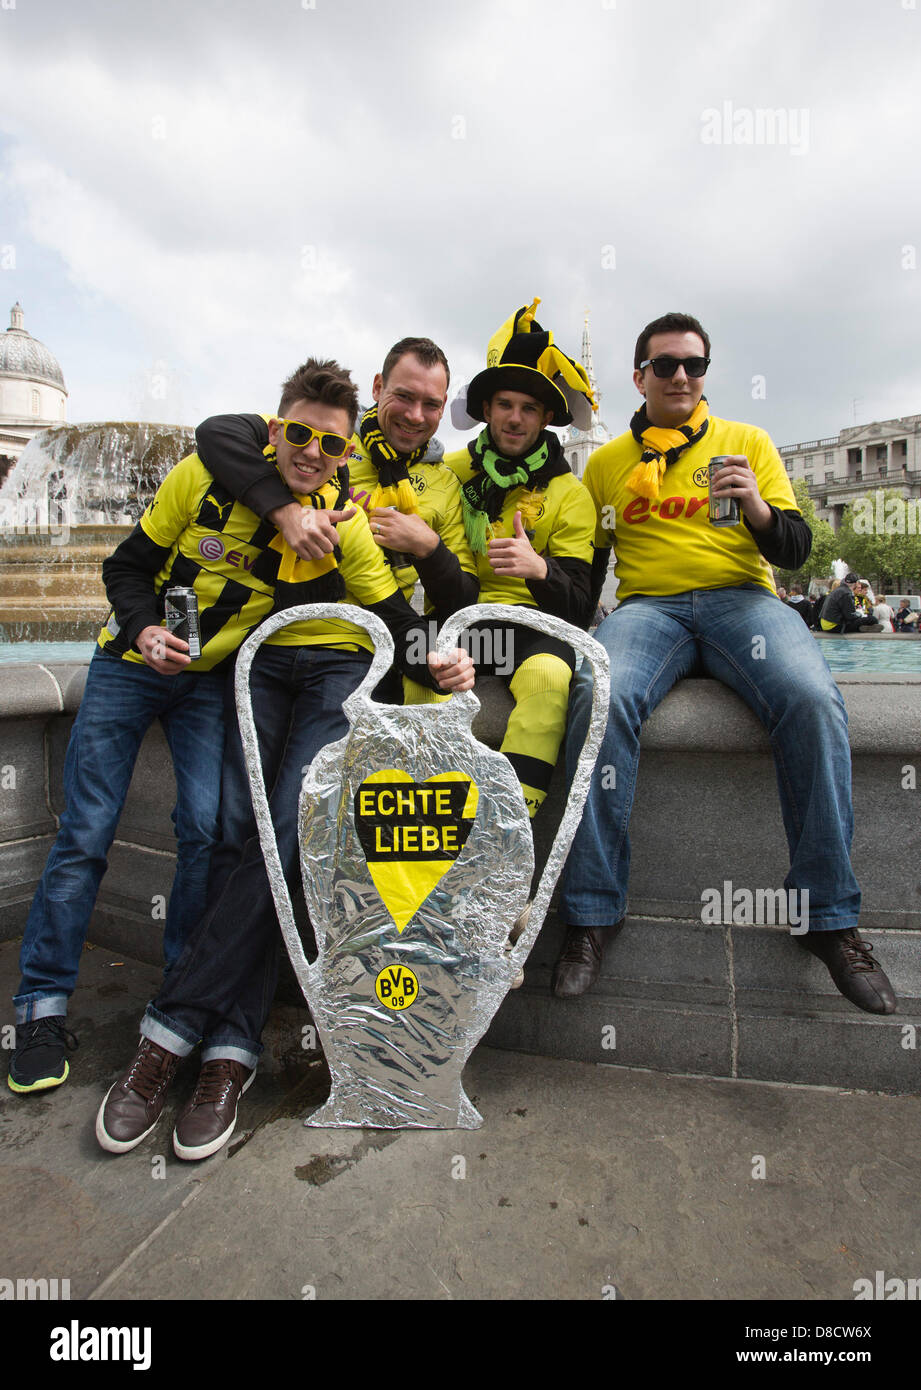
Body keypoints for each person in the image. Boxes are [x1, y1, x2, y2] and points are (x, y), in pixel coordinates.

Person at [95, 358, 474, 1160]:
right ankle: (228, 1047)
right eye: (298, 434)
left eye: (327, 444)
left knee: (291, 832)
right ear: (276, 431)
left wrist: (437, 658)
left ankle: (178, 1038)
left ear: (345, 451)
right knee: (240, 830)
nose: (312, 451)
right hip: (257, 666)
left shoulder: (350, 515)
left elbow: (392, 612)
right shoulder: (233, 473)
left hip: (336, 669)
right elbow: (214, 441)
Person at [552, 311, 896, 1016]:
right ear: (639, 375)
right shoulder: (609, 463)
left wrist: (759, 512)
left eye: (694, 364)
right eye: (666, 364)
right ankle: (591, 912)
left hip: (743, 601)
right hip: (648, 610)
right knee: (595, 691)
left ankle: (827, 920)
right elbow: (586, 577)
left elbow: (796, 550)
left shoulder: (746, 442)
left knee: (810, 699)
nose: (682, 376)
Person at [193, 337, 478, 701]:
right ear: (378, 387)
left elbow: (463, 601)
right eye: (404, 396)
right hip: (274, 634)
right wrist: (288, 513)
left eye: (431, 404)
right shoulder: (324, 436)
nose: (415, 415)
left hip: (373, 641)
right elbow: (217, 432)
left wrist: (429, 548)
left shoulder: (446, 482)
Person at [443, 300, 597, 818]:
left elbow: (579, 607)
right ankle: (430, 814)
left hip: (532, 628)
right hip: (459, 618)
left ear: (547, 418)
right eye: (505, 404)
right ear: (486, 410)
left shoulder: (571, 494)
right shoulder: (450, 470)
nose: (514, 417)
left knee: (554, 678)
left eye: (529, 408)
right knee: (417, 660)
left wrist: (541, 569)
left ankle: (508, 824)